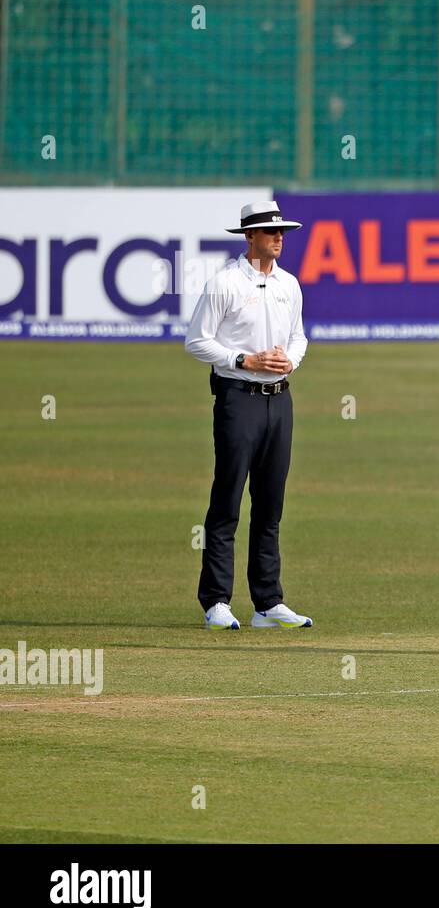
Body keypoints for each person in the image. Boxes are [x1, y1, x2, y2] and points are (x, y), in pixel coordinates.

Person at [184, 201, 312, 630]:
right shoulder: (224, 283)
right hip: (238, 399)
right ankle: (217, 601)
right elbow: (197, 341)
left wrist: (288, 361)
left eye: (282, 232)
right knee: (228, 498)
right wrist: (244, 359)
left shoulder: (289, 285)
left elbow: (299, 337)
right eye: (270, 232)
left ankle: (267, 603)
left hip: (280, 400)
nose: (279, 238)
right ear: (249, 236)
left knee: (271, 503)